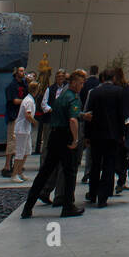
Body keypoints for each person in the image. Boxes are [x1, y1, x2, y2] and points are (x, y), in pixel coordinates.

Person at [22, 69, 87, 218]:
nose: (82, 86)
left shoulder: (61, 96)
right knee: (70, 172)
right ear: (75, 83)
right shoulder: (73, 97)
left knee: (45, 172)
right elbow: (72, 120)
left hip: (54, 136)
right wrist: (75, 140)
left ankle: (28, 206)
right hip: (66, 137)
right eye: (81, 83)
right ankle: (68, 206)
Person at [84, 68, 128, 207]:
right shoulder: (119, 92)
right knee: (109, 165)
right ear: (113, 78)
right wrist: (123, 134)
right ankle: (103, 196)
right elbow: (122, 115)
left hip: (96, 135)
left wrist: (87, 134)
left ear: (102, 79)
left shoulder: (94, 92)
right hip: (113, 136)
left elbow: (88, 114)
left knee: (95, 164)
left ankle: (92, 193)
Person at [2, 65, 28, 176]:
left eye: (23, 71)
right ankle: (7, 165)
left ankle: (16, 164)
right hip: (14, 116)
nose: (23, 73)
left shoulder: (24, 85)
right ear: (16, 72)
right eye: (21, 71)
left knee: (19, 142)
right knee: (12, 141)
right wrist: (25, 102)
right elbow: (14, 100)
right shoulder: (12, 86)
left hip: (21, 116)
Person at [11, 79, 38, 182]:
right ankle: (14, 174)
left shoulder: (29, 99)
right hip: (22, 129)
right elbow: (28, 115)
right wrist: (34, 122)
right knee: (20, 151)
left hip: (26, 129)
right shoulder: (29, 101)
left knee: (27, 150)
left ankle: (19, 171)